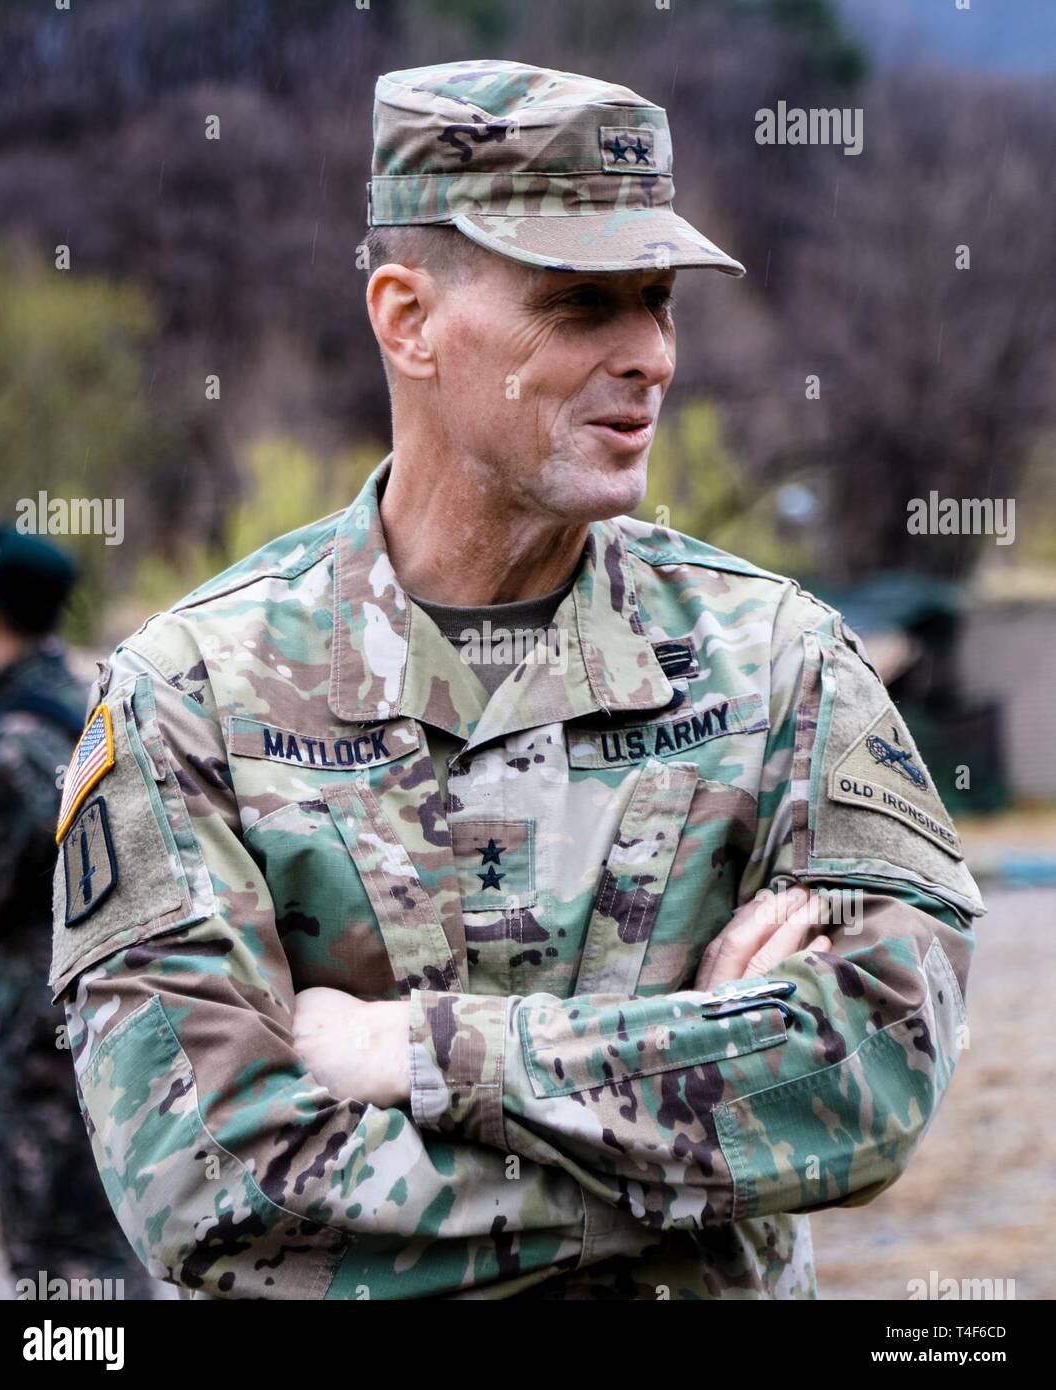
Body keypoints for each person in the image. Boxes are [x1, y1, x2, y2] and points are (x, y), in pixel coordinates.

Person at [50, 60, 985, 1300]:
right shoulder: (192, 698)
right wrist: (699, 1133)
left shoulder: (777, 664)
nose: (648, 355)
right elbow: (218, 1192)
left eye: (657, 302)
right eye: (581, 305)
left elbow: (872, 1078)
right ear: (407, 318)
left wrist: (436, 1056)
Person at [0, 526, 156, 1296]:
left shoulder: (7, 748)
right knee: (116, 1242)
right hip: (123, 1027)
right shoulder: (97, 706)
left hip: (44, 1049)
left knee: (59, 1261)